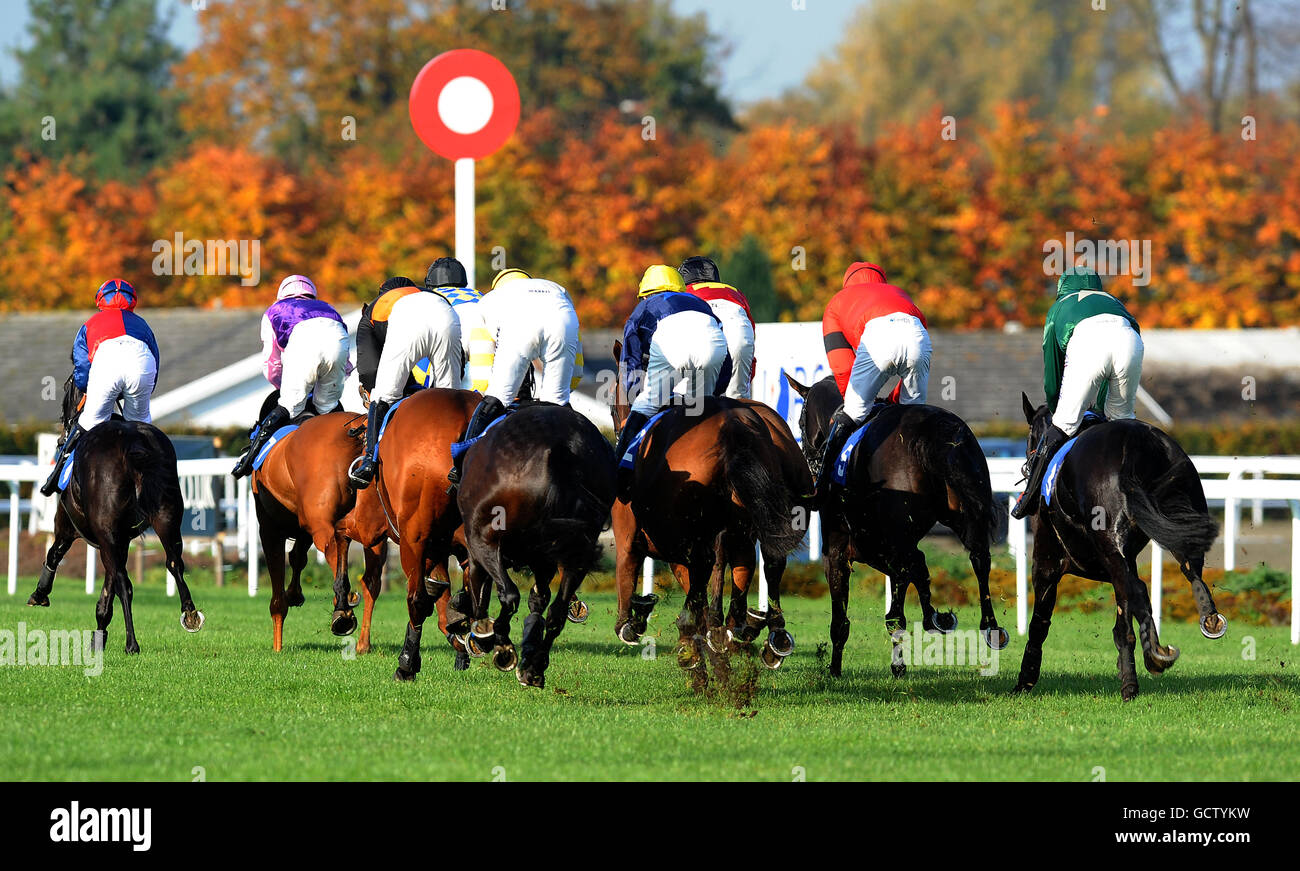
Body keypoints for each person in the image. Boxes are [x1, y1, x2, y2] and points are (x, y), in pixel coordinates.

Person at [1011, 266, 1143, 519]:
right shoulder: (1114, 302)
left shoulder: (1059, 307)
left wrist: (1056, 407)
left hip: (1089, 342)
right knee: (1124, 424)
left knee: (1063, 424)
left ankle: (1029, 496)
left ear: (1062, 289)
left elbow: (1053, 369)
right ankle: (1146, 489)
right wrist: (1104, 411)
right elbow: (1130, 339)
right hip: (1130, 340)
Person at [445, 268, 582, 488]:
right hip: (563, 319)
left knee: (496, 397)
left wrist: (496, 397)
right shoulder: (558, 289)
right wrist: (555, 396)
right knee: (557, 402)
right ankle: (579, 467)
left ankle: (460, 464)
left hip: (520, 327)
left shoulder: (489, 302)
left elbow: (482, 380)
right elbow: (576, 375)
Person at [816, 261, 931, 500]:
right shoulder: (899, 293)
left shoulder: (837, 302)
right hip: (917, 334)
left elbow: (842, 366)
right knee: (913, 414)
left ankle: (823, 485)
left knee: (852, 413)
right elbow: (919, 343)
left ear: (846, 283)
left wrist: (856, 404)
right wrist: (895, 401)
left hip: (879, 338)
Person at [614, 264, 732, 494]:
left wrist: (632, 396)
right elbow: (726, 358)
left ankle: (620, 470)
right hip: (713, 346)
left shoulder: (644, 307)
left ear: (646, 294)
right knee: (699, 407)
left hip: (671, 341)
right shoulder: (699, 303)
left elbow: (631, 361)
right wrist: (717, 392)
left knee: (646, 403)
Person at [40, 279, 160, 496]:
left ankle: (56, 474)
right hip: (142, 367)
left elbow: (82, 368)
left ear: (99, 300)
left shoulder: (89, 324)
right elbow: (155, 364)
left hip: (107, 365)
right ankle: (155, 486)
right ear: (132, 301)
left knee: (89, 424)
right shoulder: (143, 325)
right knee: (140, 429)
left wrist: (89, 388)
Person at [231, 274, 351, 479]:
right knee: (328, 408)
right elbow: (346, 365)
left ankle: (249, 458)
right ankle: (351, 459)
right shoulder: (329, 309)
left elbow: (272, 365)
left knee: (288, 405)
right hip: (337, 342)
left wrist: (285, 388)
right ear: (311, 294)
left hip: (305, 342)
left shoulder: (274, 311)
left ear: (281, 295)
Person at [349, 274, 461, 487]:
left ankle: (368, 462)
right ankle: (457, 461)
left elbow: (369, 370)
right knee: (448, 397)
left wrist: (379, 395)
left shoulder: (374, 310)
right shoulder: (425, 293)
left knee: (382, 396)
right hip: (447, 315)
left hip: (409, 322)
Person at [679, 255, 756, 399]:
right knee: (739, 403)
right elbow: (751, 337)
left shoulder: (682, 294)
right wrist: (743, 383)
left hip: (704, 342)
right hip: (740, 337)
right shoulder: (735, 292)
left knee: (693, 407)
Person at [422, 256, 488, 392]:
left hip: (448, 330)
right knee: (486, 394)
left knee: (439, 396)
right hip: (483, 331)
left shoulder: (428, 297)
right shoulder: (480, 295)